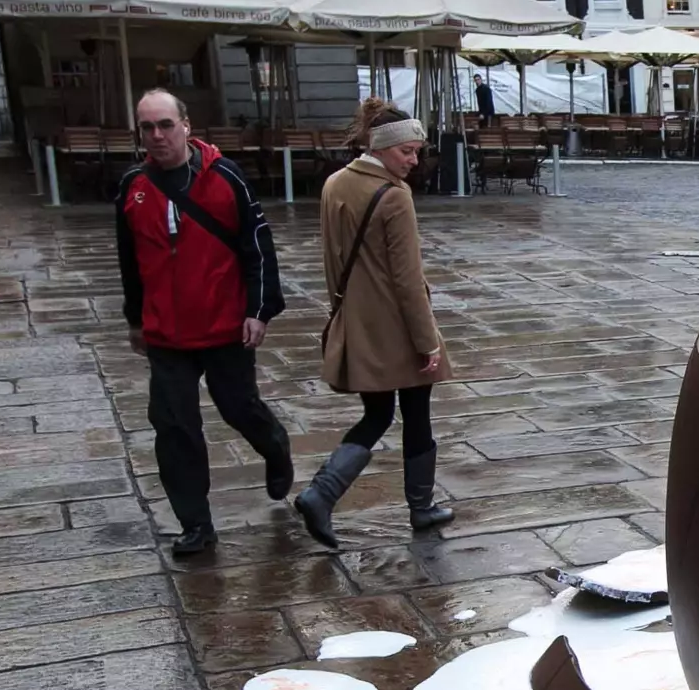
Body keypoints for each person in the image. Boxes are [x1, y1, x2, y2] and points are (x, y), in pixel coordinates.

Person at [114, 88, 292, 558]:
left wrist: (258, 310)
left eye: (165, 125)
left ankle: (274, 445)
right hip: (166, 334)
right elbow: (129, 262)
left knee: (239, 408)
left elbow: (258, 247)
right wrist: (135, 319)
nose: (157, 136)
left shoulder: (225, 177)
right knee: (175, 428)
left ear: (186, 126)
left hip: (224, 326)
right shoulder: (133, 187)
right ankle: (195, 523)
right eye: (147, 127)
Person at [295, 98, 455, 548]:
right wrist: (428, 343)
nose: (414, 160)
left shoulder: (335, 184)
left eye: (417, 151)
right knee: (417, 413)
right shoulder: (394, 195)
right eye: (407, 151)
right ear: (383, 148)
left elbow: (330, 258)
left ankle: (322, 493)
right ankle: (420, 507)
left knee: (378, 412)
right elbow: (407, 280)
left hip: (358, 321)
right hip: (399, 329)